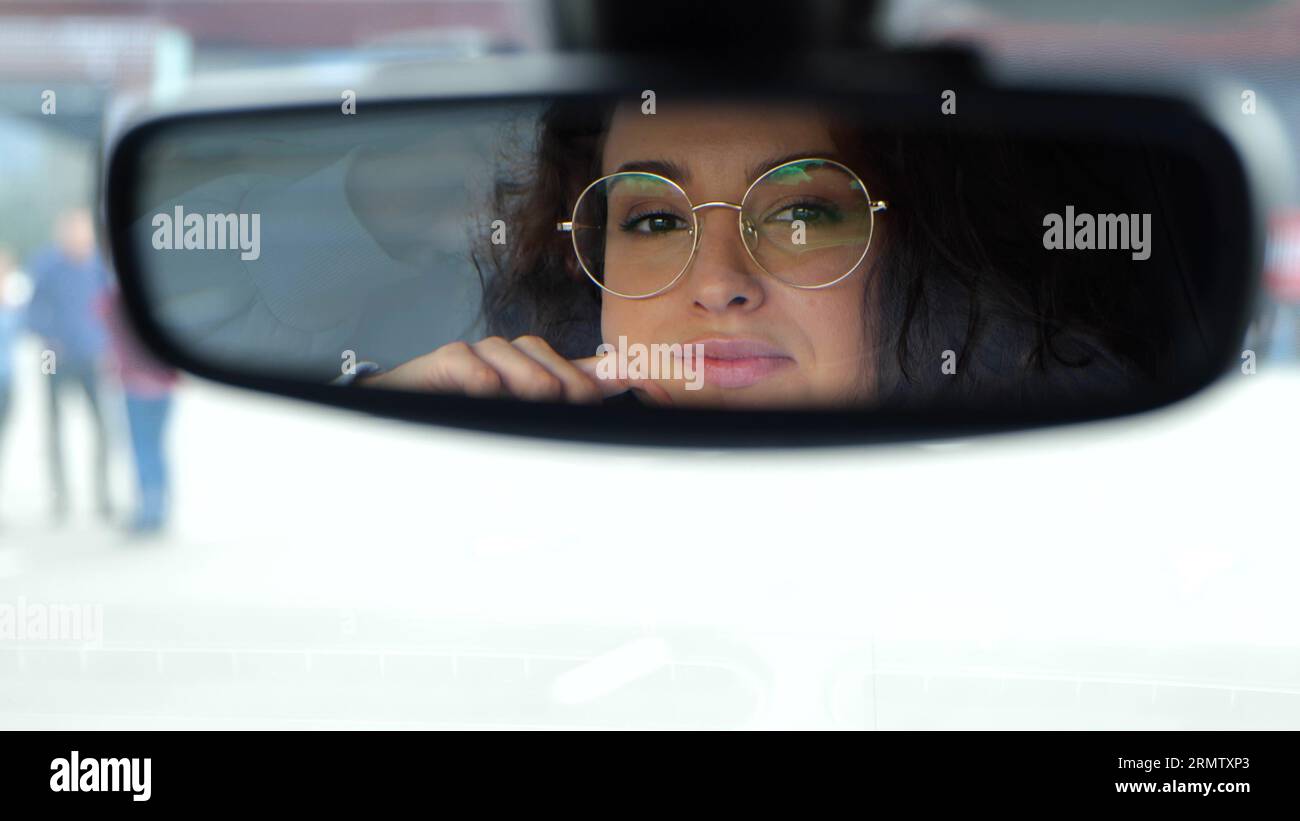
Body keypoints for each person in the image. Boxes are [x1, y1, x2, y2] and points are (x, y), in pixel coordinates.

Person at [358, 97, 1146, 409]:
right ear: (583, 260)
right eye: (657, 222)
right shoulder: (511, 486)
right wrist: (387, 445)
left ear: (916, 253)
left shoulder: (1051, 497)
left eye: (801, 213)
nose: (719, 284)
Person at [25, 208, 113, 521]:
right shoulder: (46, 265)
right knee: (54, 423)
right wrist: (50, 335)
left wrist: (106, 344)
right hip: (53, 355)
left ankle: (104, 494)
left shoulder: (97, 266)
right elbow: (32, 311)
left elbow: (109, 309)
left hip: (91, 354)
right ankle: (59, 495)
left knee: (102, 425)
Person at [101, 287, 179, 534]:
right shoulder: (162, 298)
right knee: (155, 447)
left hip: (138, 387)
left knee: (144, 448)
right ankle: (158, 507)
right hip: (160, 386)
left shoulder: (116, 302)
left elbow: (101, 316)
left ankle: (151, 509)